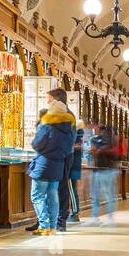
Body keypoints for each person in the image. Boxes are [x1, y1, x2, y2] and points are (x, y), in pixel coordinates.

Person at [27, 91, 75, 237]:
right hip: (58, 165)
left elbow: (36, 143)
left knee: (37, 195)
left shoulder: (47, 125)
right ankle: (53, 226)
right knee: (53, 194)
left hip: (43, 164)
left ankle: (44, 225)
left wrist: (44, 149)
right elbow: (68, 148)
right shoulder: (67, 128)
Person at [91, 123, 123, 223]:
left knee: (107, 195)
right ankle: (97, 217)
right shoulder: (101, 137)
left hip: (107, 169)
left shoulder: (106, 135)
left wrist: (99, 150)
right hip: (102, 169)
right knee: (97, 195)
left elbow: (113, 151)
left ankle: (107, 218)